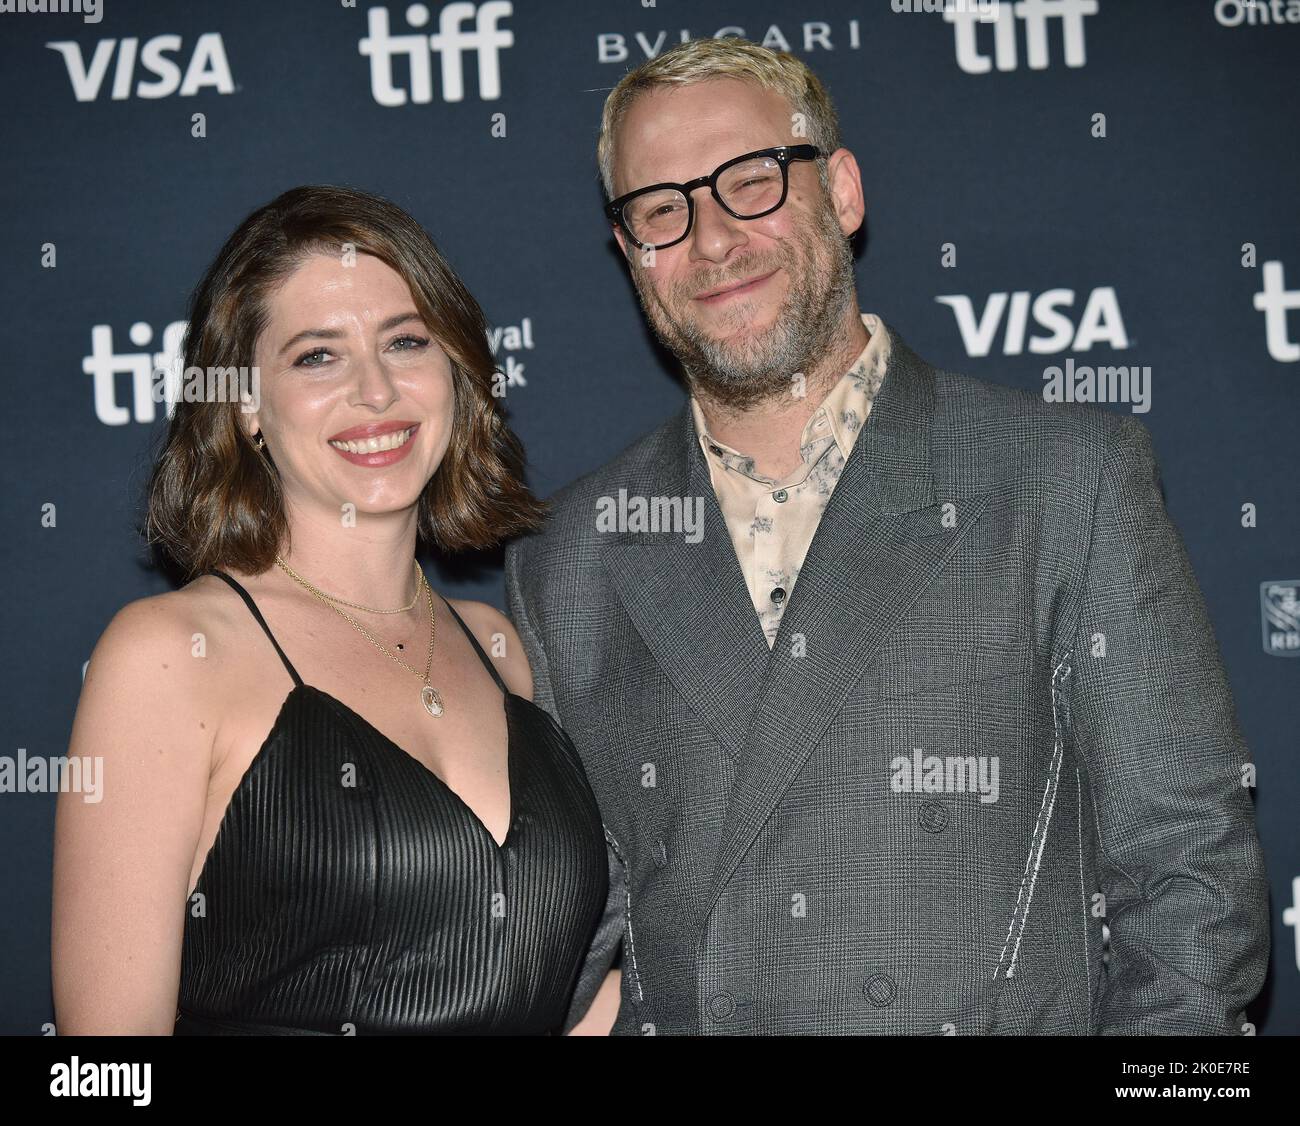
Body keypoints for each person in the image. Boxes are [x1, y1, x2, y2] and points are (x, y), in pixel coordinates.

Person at [505, 38, 1270, 1035]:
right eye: (661, 209)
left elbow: (1190, 877)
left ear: (844, 191)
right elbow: (580, 934)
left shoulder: (1061, 479)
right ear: (629, 254)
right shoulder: (569, 559)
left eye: (751, 180)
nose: (713, 239)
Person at [51, 185, 617, 1036]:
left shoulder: (501, 647)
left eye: (406, 341)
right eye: (317, 356)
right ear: (245, 404)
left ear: (457, 372)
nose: (377, 391)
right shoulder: (172, 656)